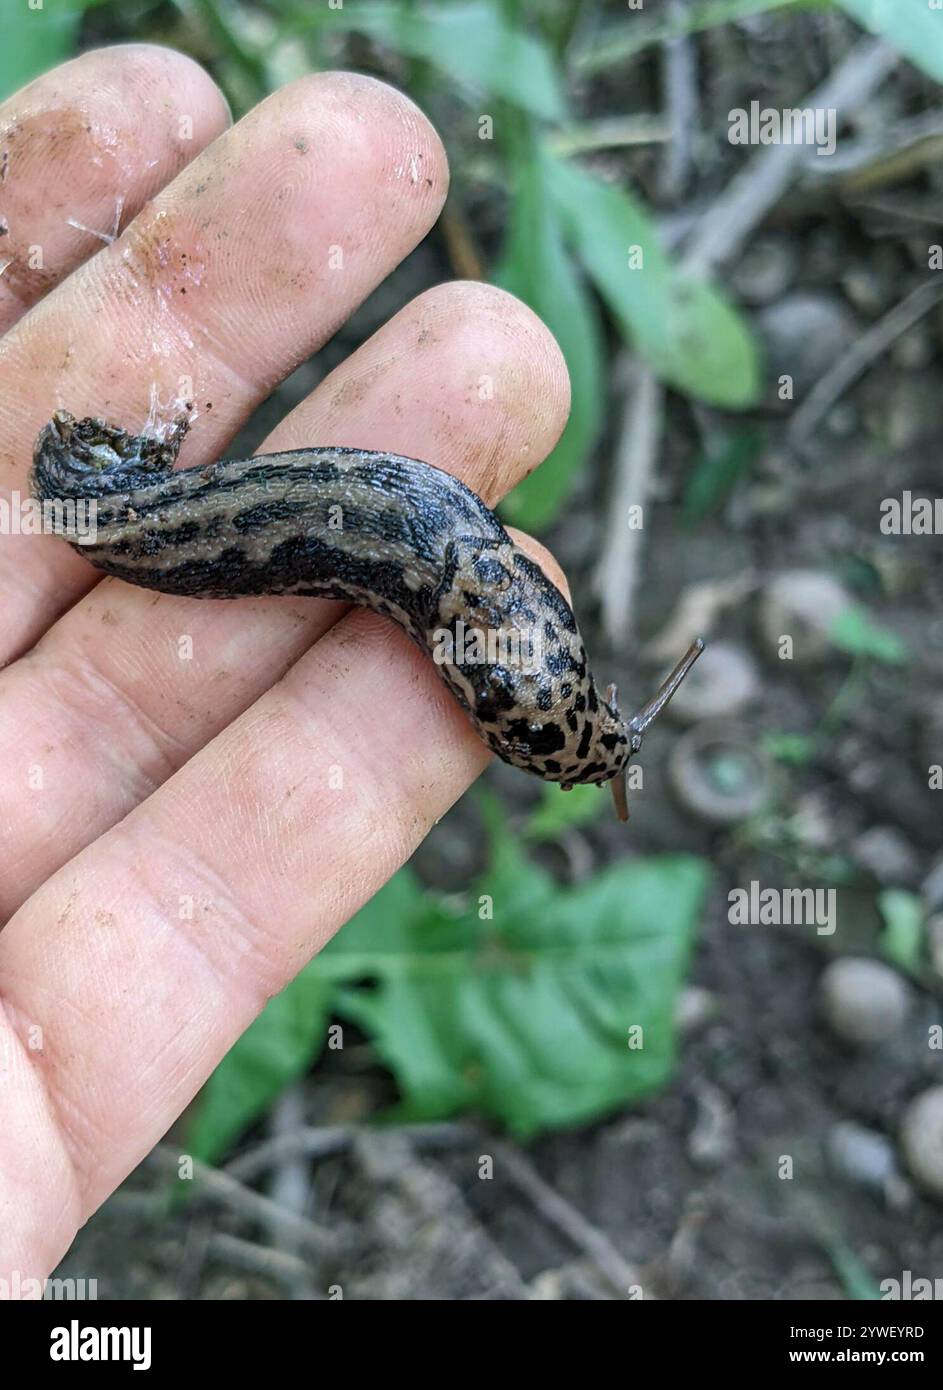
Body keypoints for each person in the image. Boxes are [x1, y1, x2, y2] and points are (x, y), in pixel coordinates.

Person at [0, 45, 570, 1283]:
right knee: (140, 512)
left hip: (144, 504)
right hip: (115, 499)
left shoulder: (456, 583)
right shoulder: (451, 580)